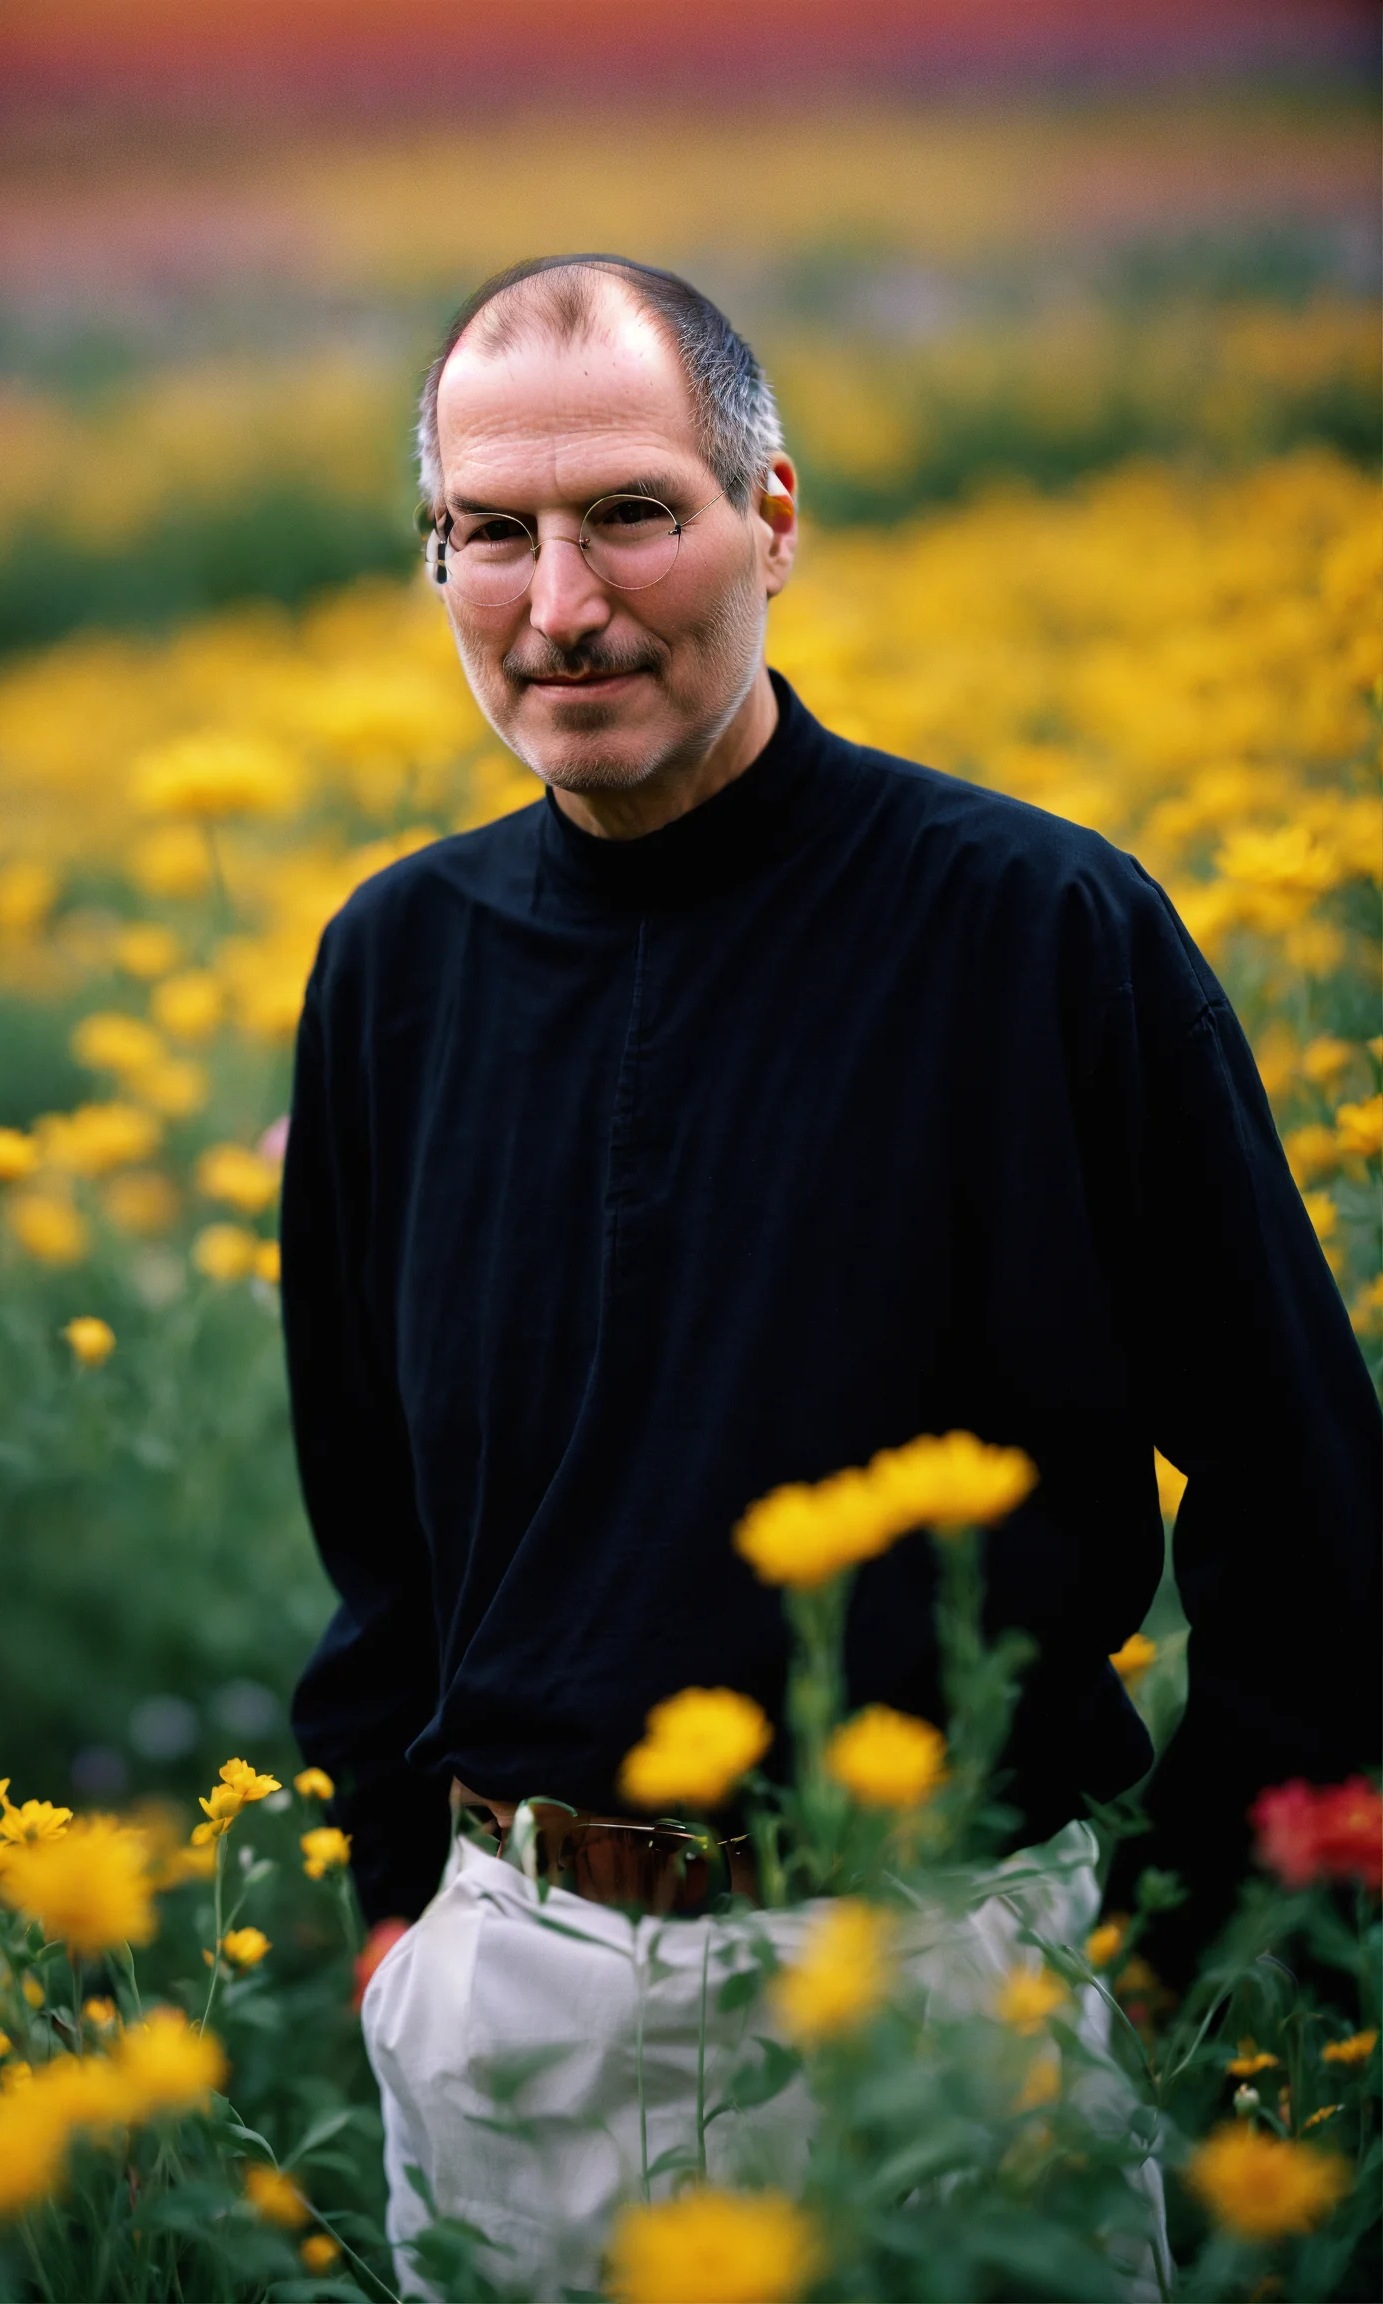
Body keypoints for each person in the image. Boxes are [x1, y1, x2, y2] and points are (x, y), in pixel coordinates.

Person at [279, 254, 1380, 2287]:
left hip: (945, 1988)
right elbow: (377, 1537)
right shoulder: (391, 971)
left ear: (771, 516)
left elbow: (1309, 1498)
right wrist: (399, 1922)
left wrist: (1173, 1955)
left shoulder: (1038, 930)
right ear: (431, 552)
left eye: (630, 514)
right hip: (508, 2001)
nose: (557, 603)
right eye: (488, 534)